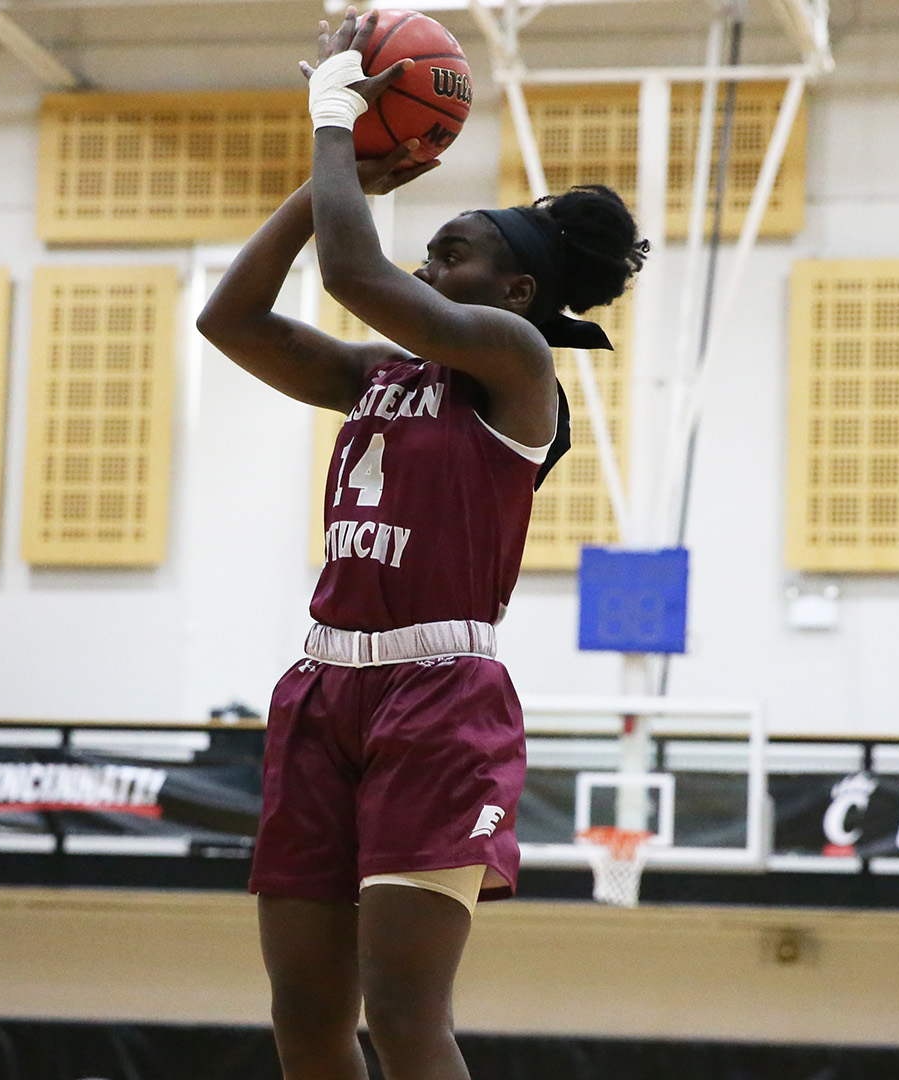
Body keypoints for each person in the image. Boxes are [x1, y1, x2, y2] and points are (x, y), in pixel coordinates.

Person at [197, 11, 647, 1080]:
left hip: (441, 699)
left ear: (517, 291)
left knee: (403, 1013)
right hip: (320, 688)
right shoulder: (381, 375)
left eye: (455, 253)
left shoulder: (515, 360)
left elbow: (356, 278)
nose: (428, 264)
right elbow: (230, 319)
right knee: (304, 1015)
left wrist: (335, 129)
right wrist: (322, 188)